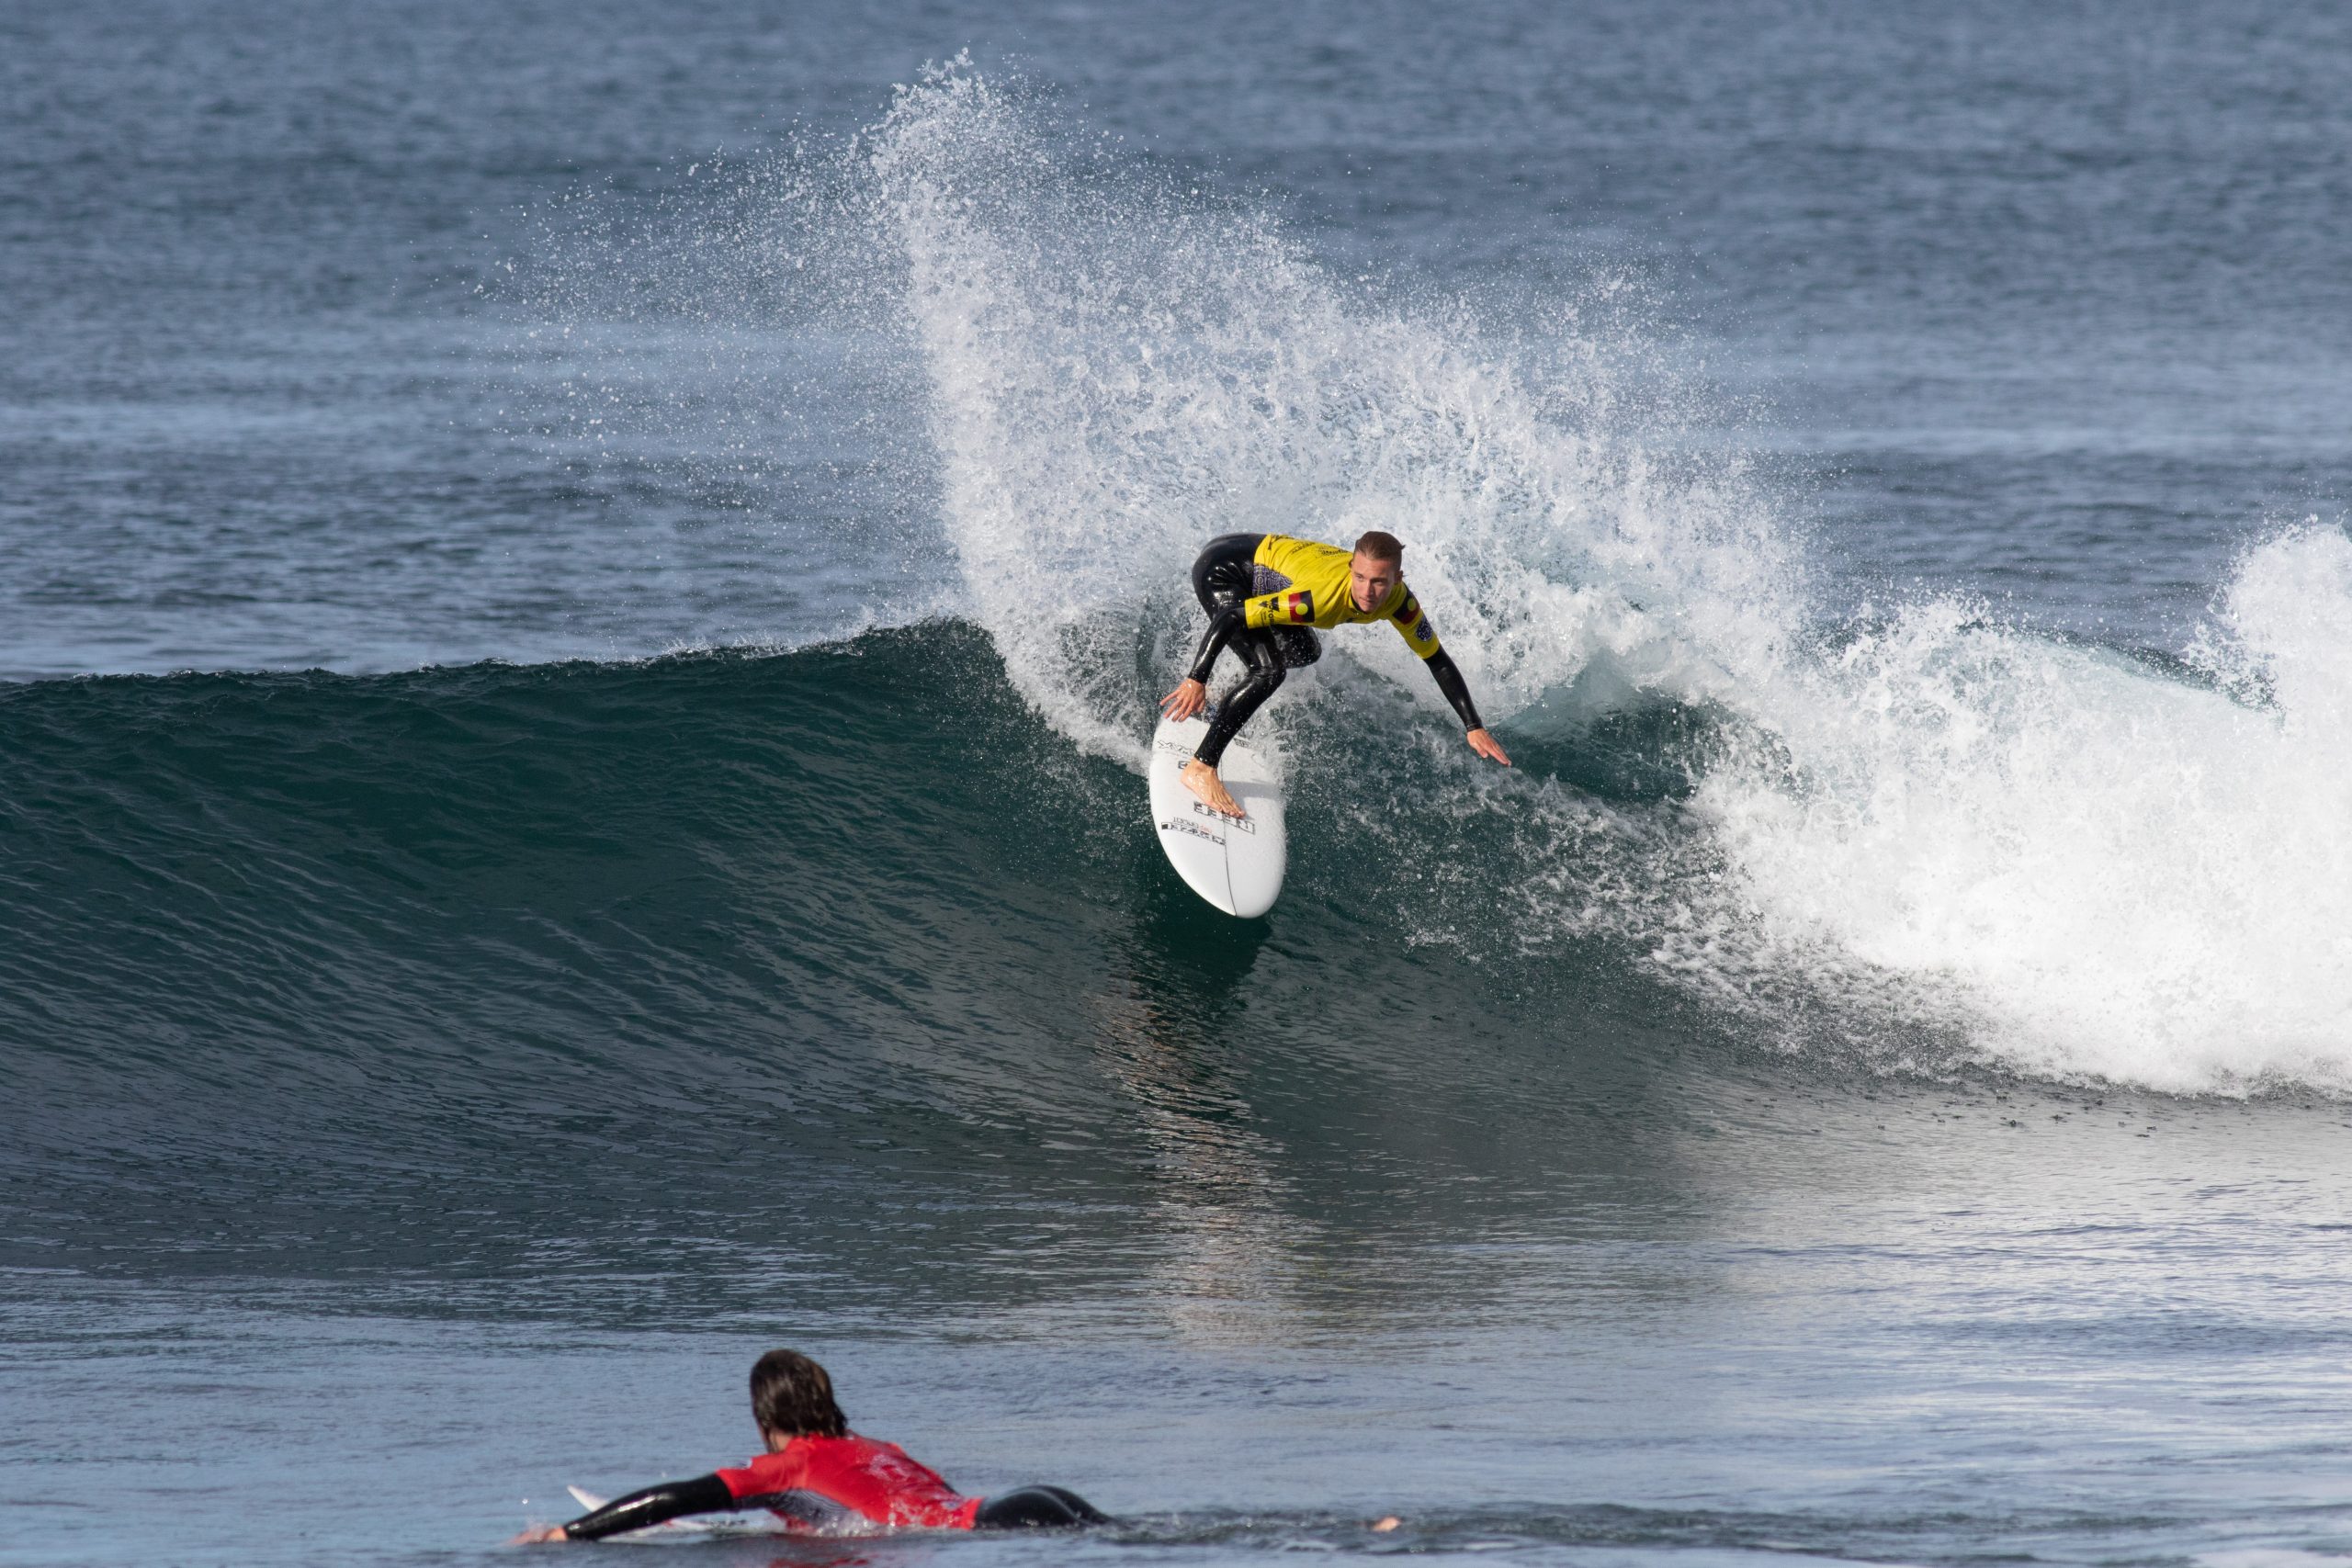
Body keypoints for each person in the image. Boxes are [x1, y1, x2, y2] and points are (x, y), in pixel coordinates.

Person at [512, 1349, 1107, 1542]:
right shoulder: (879, 1446)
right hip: (1026, 1498)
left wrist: (571, 1532)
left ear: (765, 1414)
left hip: (994, 1524)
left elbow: (678, 1497)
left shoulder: (787, 1466)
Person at [1159, 530, 1510, 817]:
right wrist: (1197, 677)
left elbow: (1438, 660)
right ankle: (1201, 767)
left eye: (1378, 581)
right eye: (1359, 577)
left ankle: (1229, 701)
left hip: (1261, 566)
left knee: (1305, 651)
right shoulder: (1320, 600)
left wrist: (1473, 726)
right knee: (1268, 671)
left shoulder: (1402, 605)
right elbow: (1230, 617)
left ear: (1397, 579)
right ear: (1351, 569)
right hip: (1225, 570)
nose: (1367, 591)